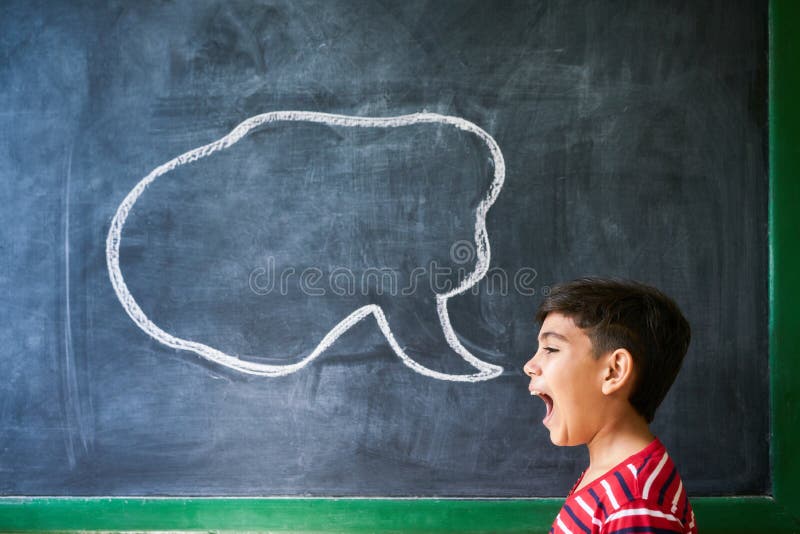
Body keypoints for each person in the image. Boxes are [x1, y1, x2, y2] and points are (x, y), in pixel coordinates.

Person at [523, 277, 696, 534]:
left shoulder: (635, 505)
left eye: (550, 348)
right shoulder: (616, 479)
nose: (529, 366)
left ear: (614, 371)